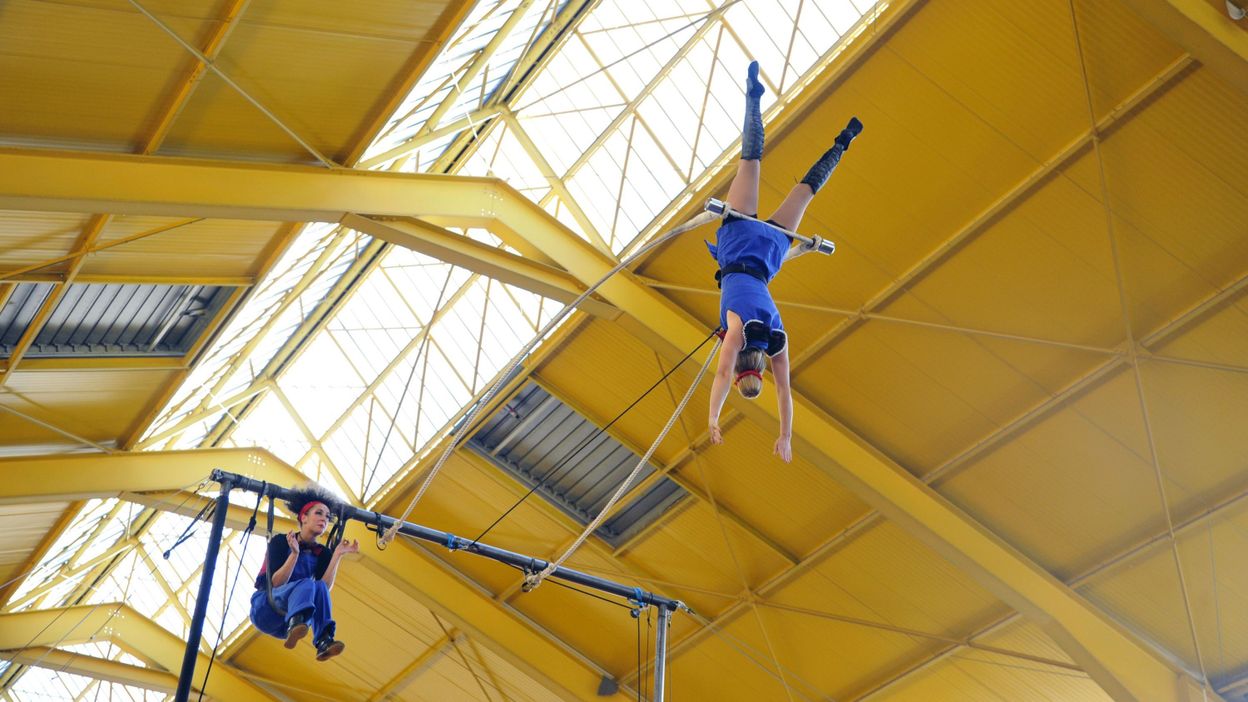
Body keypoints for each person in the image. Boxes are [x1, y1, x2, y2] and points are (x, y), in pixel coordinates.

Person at [706, 60, 862, 462]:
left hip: (770, 251)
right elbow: (721, 374)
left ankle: (843, 142)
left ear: (761, 366)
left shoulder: (778, 338)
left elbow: (784, 391)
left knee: (807, 190)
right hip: (739, 243)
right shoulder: (736, 330)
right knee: (751, 160)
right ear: (741, 367)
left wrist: (787, 435)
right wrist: (713, 418)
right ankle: (752, 98)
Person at [249, 484, 358, 661]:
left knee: (318, 586)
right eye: (319, 513)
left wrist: (337, 555)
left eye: (327, 516)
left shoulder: (322, 553)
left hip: (288, 620)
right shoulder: (281, 542)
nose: (324, 519)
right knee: (308, 583)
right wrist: (294, 554)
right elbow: (275, 583)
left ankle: (323, 640)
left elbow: (324, 589)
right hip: (267, 607)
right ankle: (296, 622)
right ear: (303, 517)